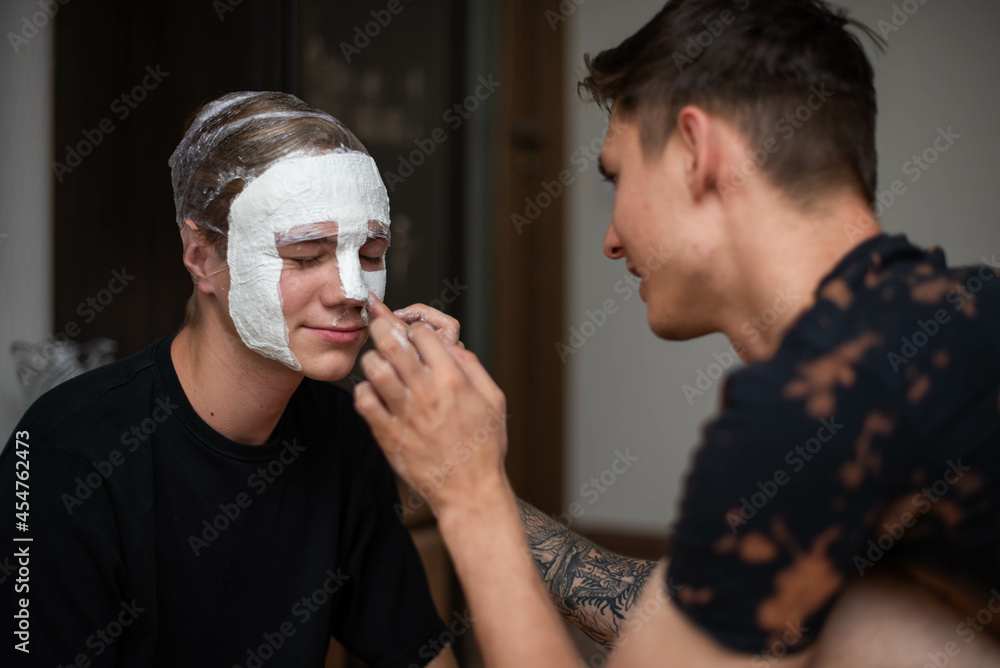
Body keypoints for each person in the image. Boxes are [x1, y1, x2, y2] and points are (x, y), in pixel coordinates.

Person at [353, 1, 1000, 666]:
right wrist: (464, 472)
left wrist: (469, 500)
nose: (610, 240)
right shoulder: (952, 322)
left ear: (697, 150)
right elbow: (698, 611)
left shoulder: (819, 401)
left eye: (617, 178)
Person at [1, 91, 459, 667]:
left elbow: (417, 653)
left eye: (369, 254)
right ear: (200, 255)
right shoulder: (62, 454)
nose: (350, 290)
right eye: (305, 254)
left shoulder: (342, 436)